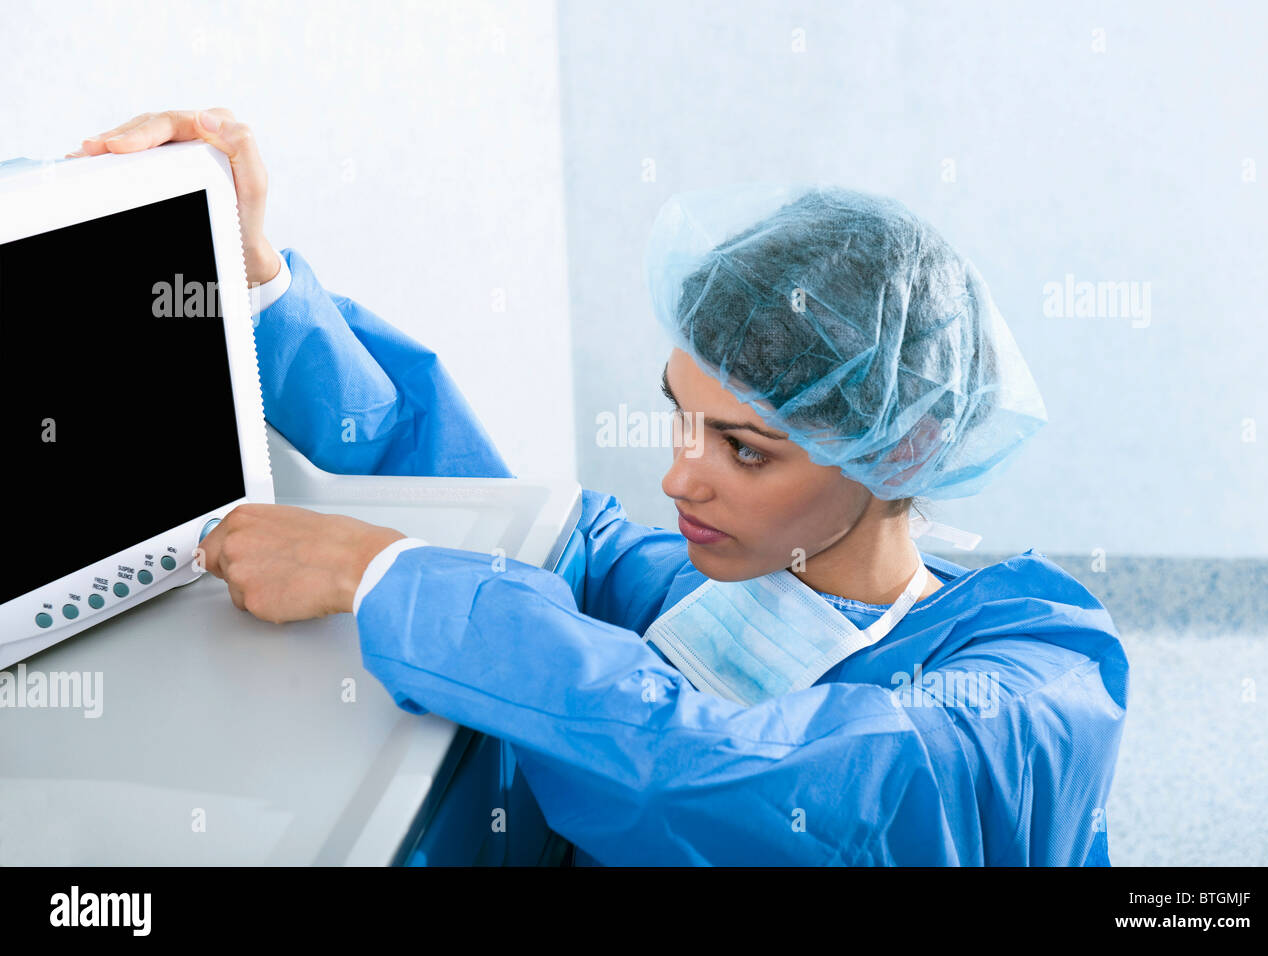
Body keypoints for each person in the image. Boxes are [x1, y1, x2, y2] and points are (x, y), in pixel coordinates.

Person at [71, 111, 1129, 866]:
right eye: (677, 413)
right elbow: (476, 500)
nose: (677, 473)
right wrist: (254, 275)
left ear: (901, 450)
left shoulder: (1033, 683)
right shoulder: (705, 587)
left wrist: (389, 576)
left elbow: (741, 779)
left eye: (744, 449)